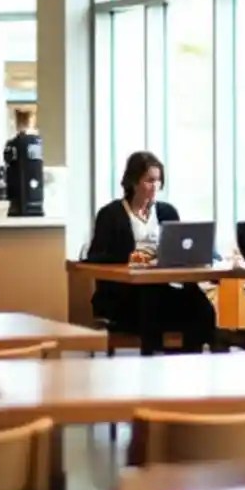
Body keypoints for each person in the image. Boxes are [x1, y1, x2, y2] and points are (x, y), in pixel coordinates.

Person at [84, 151, 216, 352]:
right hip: (125, 294)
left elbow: (179, 248)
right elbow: (94, 257)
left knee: (199, 304)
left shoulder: (167, 212)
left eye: (158, 181)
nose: (155, 186)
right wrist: (129, 257)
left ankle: (191, 359)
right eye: (149, 181)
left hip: (161, 285)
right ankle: (151, 360)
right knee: (150, 297)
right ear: (134, 182)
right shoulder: (110, 214)